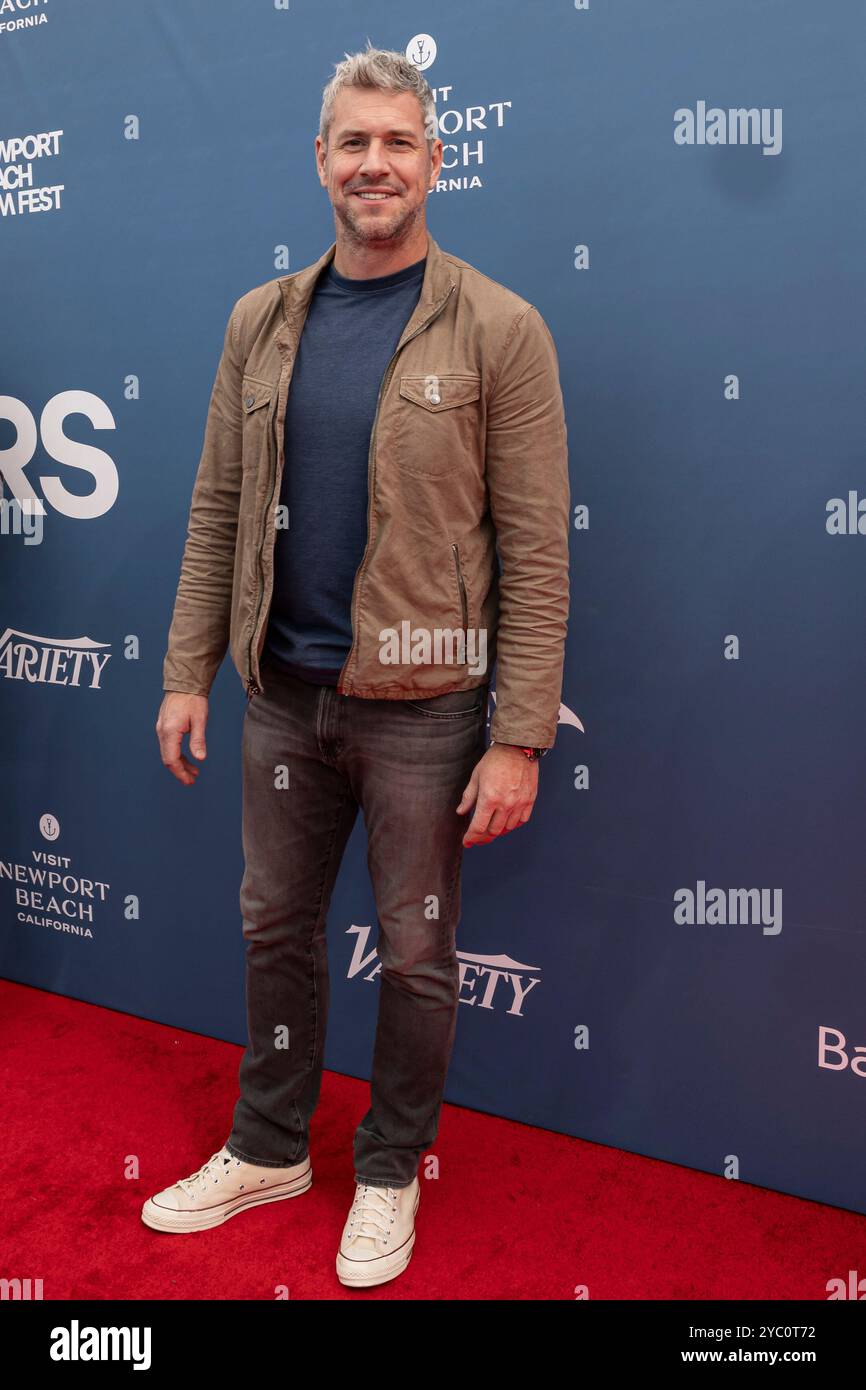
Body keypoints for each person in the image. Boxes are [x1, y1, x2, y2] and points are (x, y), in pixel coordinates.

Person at [146, 42, 570, 1289]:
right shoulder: (260, 321)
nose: (373, 164)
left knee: (418, 954)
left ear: (436, 159)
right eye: (352, 143)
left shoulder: (502, 327)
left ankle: (389, 1170)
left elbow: (536, 550)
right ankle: (271, 1144)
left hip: (426, 712)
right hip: (279, 694)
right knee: (274, 928)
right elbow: (217, 508)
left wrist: (520, 731)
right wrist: (186, 672)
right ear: (320, 162)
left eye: (397, 143)